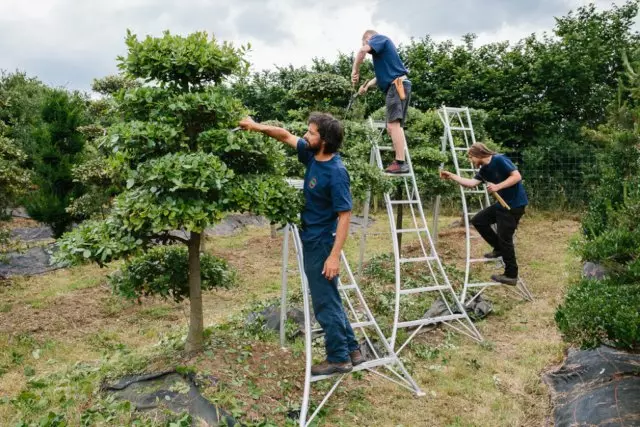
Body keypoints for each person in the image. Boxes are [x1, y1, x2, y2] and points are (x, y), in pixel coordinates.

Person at [238, 113, 364, 375]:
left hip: (321, 243)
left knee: (323, 301)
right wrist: (255, 126)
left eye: (312, 133)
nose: (306, 136)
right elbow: (284, 134)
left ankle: (338, 358)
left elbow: (345, 216)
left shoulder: (336, 173)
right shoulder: (311, 154)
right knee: (330, 297)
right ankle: (352, 349)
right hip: (312, 238)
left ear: (325, 140)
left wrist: (334, 256)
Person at [439, 143, 528, 285]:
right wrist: (451, 176)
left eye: (470, 157)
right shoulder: (484, 170)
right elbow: (471, 183)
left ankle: (511, 275)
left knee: (505, 239)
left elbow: (517, 176)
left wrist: (498, 186)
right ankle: (497, 247)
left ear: (478, 154)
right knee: (479, 220)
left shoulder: (499, 159)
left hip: (514, 205)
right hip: (502, 205)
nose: (471, 161)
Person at [351, 29, 412, 174]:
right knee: (393, 127)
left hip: (396, 86)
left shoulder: (379, 39)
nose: (367, 46)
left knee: (392, 125)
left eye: (366, 43)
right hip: (399, 85)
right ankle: (400, 161)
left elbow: (361, 52)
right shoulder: (383, 55)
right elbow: (379, 78)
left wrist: (355, 70)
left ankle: (400, 163)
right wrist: (365, 87)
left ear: (368, 39)